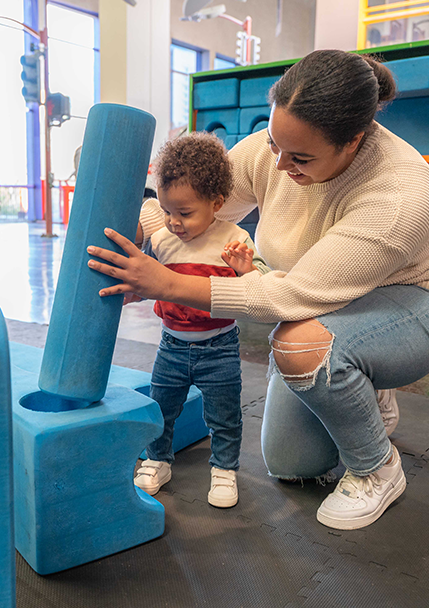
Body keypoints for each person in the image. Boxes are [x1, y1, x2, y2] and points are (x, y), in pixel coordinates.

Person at [86, 49, 429, 530]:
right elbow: (198, 209)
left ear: (352, 141)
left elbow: (285, 298)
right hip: (322, 303)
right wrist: (142, 226)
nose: (281, 164)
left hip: (415, 302)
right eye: (274, 143)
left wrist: (167, 283)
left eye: (301, 157)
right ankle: (361, 386)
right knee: (291, 463)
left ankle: (377, 468)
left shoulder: (399, 193)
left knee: (299, 345)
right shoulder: (276, 149)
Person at [132, 132, 270, 508]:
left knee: (223, 414)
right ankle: (157, 459)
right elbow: (149, 282)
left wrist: (245, 270)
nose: (174, 222)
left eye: (185, 213)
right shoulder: (161, 240)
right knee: (160, 407)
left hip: (220, 348)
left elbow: (258, 293)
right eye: (167, 212)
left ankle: (224, 469)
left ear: (217, 203)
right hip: (171, 345)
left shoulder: (234, 239)